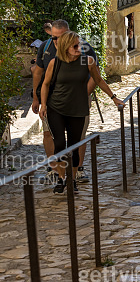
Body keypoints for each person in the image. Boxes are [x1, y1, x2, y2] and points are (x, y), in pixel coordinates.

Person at [39, 31, 125, 194]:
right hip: (56, 108)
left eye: (80, 45)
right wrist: (43, 104)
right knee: (59, 144)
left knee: (74, 145)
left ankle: (72, 179)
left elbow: (98, 80)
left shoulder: (88, 61)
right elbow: (45, 84)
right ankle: (62, 178)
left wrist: (114, 98)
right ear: (65, 47)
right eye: (75, 46)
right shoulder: (55, 63)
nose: (79, 48)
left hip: (77, 108)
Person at [32, 19, 98, 183]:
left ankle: (78, 170)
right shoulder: (46, 48)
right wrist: (36, 98)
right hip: (53, 103)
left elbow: (95, 76)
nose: (57, 41)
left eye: (60, 37)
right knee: (50, 134)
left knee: (78, 137)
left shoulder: (84, 48)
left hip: (78, 101)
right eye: (54, 37)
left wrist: (83, 94)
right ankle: (54, 170)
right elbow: (38, 74)